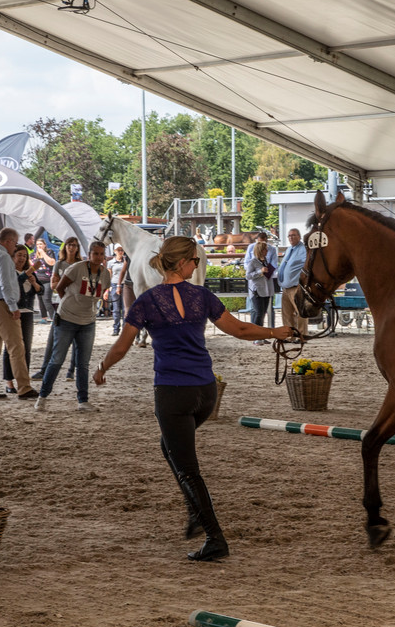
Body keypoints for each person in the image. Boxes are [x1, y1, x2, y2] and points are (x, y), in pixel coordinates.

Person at [94, 236, 294, 562]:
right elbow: (240, 330)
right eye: (195, 261)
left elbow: (122, 345)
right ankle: (193, 512)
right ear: (183, 262)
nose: (197, 266)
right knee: (169, 448)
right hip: (206, 393)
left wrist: (102, 368)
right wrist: (274, 332)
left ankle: (215, 537)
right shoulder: (202, 296)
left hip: (173, 394)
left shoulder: (148, 301)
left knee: (188, 468)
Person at [36, 240, 110, 412]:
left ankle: (83, 400)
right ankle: (42, 396)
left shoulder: (105, 274)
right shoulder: (76, 268)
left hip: (88, 321)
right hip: (67, 319)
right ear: (89, 254)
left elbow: (99, 294)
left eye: (101, 254)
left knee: (83, 363)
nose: (98, 257)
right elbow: (60, 288)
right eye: (95, 253)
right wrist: (68, 304)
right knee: (57, 359)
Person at [0, 227, 35, 401]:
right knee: (16, 347)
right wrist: (13, 306)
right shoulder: (3, 256)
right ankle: (24, 387)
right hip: (1, 304)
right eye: (15, 242)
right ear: (9, 241)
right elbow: (6, 283)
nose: (15, 247)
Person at [31, 236, 81, 381]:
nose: (71, 247)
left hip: (77, 305)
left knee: (77, 340)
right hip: (62, 304)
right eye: (69, 245)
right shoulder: (59, 264)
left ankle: (71, 370)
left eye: (74, 245)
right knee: (52, 338)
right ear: (65, 247)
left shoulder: (82, 264)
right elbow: (54, 285)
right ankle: (44, 369)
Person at [3, 244, 41, 398]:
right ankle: (9, 381)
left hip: (28, 312)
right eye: (19, 255)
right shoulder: (9, 272)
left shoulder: (30, 273)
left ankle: (23, 381)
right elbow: (16, 281)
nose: (22, 258)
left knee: (26, 347)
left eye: (25, 256)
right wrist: (30, 271)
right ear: (13, 256)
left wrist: (33, 282)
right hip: (13, 312)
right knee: (11, 347)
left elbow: (41, 290)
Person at [275, 227, 307, 336]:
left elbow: (306, 265)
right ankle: (290, 336)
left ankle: (302, 335)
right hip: (285, 287)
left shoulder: (303, 249)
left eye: (293, 235)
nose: (291, 237)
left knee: (300, 312)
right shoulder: (289, 249)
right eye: (289, 235)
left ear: (299, 236)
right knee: (287, 314)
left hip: (296, 286)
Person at [244, 236, 275, 343]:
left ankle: (261, 336)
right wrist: (260, 272)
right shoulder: (253, 262)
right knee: (258, 313)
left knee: (262, 313)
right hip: (256, 291)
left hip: (266, 291)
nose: (267, 251)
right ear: (261, 251)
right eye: (265, 249)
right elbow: (248, 276)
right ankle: (256, 337)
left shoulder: (266, 261)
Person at [242, 230, 277, 320]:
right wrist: (259, 271)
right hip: (256, 288)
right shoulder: (252, 258)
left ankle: (269, 329)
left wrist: (269, 271)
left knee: (265, 311)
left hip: (267, 286)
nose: (266, 250)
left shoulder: (270, 251)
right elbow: (248, 273)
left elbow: (274, 265)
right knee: (257, 311)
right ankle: (255, 330)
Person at [29, 237, 57, 320]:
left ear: (45, 245)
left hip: (47, 279)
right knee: (40, 299)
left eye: (41, 244)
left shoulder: (49, 252)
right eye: (37, 244)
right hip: (38, 279)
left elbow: (51, 262)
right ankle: (44, 317)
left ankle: (53, 318)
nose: (39, 246)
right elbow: (31, 267)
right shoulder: (33, 255)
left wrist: (43, 253)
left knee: (46, 299)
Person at [106, 245, 129, 336]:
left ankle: (124, 328)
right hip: (114, 285)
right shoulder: (111, 262)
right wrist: (108, 288)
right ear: (115, 251)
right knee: (116, 309)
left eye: (122, 250)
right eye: (119, 250)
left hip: (125, 285)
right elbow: (109, 275)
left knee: (125, 309)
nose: (120, 252)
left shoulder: (126, 261)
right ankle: (116, 328)